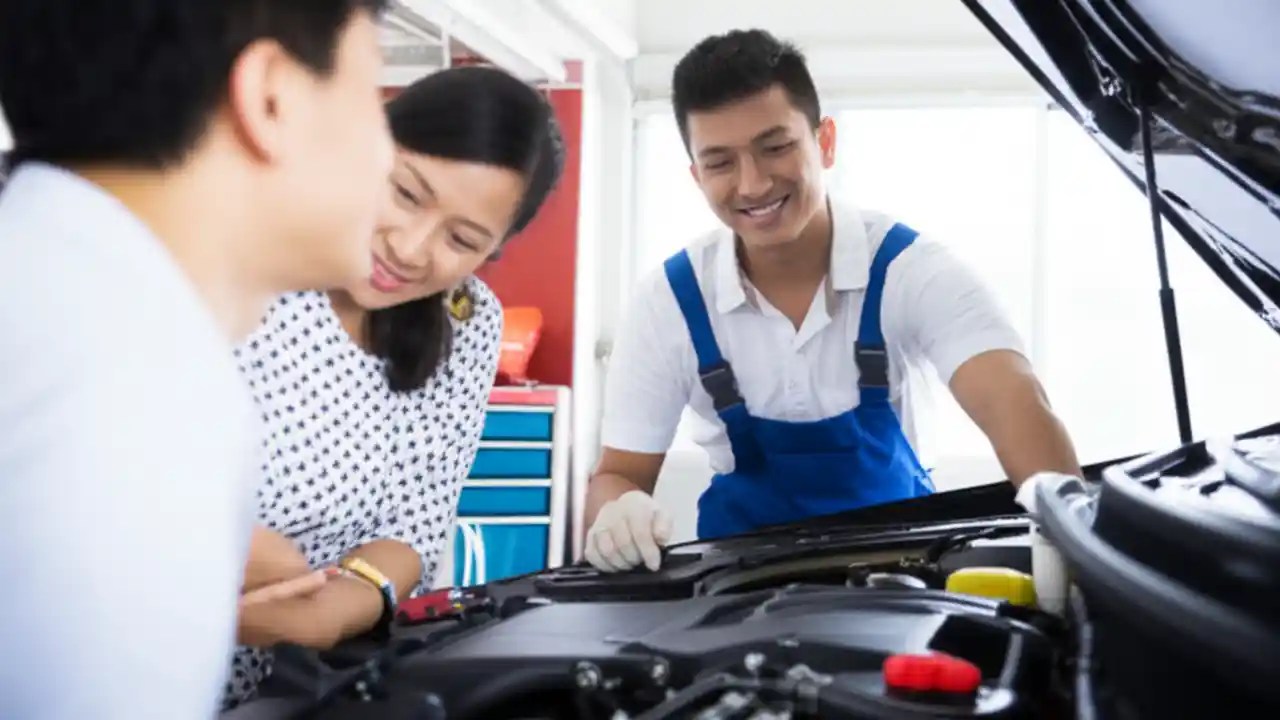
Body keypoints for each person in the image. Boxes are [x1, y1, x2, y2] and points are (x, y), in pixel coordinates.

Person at [0, 1, 394, 717]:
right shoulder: (135, 379)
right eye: (374, 97)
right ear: (272, 98)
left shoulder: (57, 289)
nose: (387, 156)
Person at [583, 29, 1081, 572]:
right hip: (735, 592)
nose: (751, 185)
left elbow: (1014, 402)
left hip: (901, 579)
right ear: (696, 174)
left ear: (824, 142)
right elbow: (619, 476)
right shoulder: (670, 302)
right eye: (720, 162)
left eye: (775, 148)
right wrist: (619, 510)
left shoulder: (907, 270)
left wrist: (1067, 541)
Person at [223, 66, 564, 708]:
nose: (410, 248)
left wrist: (336, 612)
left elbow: (418, 520)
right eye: (405, 194)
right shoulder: (245, 259)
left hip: (285, 688)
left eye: (462, 239)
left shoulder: (469, 321)